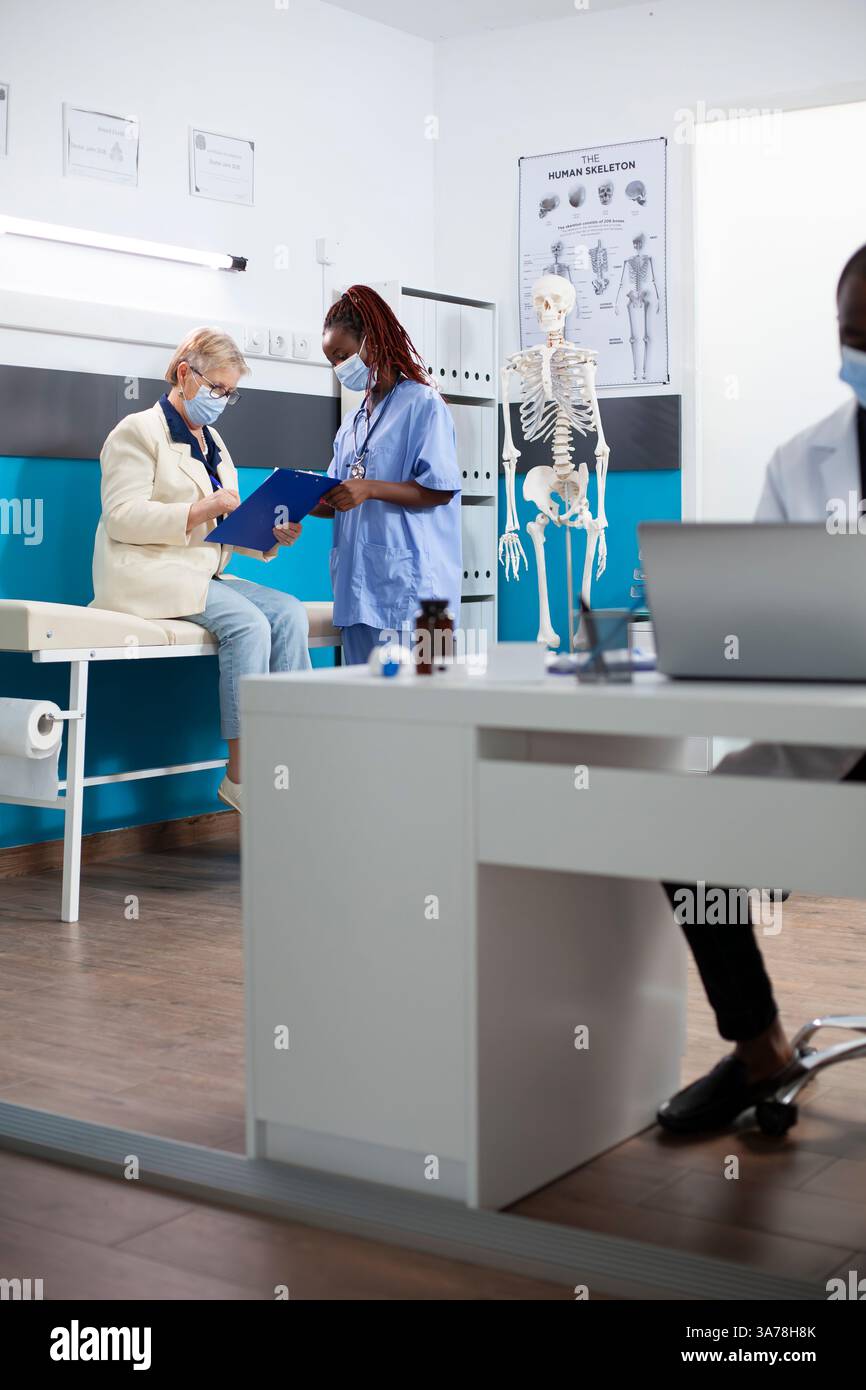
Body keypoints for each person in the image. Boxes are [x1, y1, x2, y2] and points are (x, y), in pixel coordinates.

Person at [658, 242, 866, 1134]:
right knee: (688, 835)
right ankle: (760, 1050)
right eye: (856, 333)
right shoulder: (801, 460)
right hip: (829, 742)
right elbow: (763, 616)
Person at [92, 327, 310, 814]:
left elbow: (223, 524)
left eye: (230, 394)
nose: (221, 400)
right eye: (217, 389)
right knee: (249, 625)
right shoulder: (136, 432)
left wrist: (268, 533)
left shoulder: (213, 442)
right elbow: (121, 517)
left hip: (198, 570)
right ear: (185, 374)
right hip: (147, 571)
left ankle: (293, 760)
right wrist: (197, 508)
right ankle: (243, 776)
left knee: (289, 613)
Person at [314, 285, 462, 666]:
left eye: (344, 355)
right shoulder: (353, 423)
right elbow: (339, 496)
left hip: (419, 595)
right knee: (367, 713)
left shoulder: (423, 404)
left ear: (373, 342)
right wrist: (299, 500)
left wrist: (370, 489)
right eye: (332, 360)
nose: (339, 368)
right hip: (358, 592)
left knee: (431, 707)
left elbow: (439, 490)